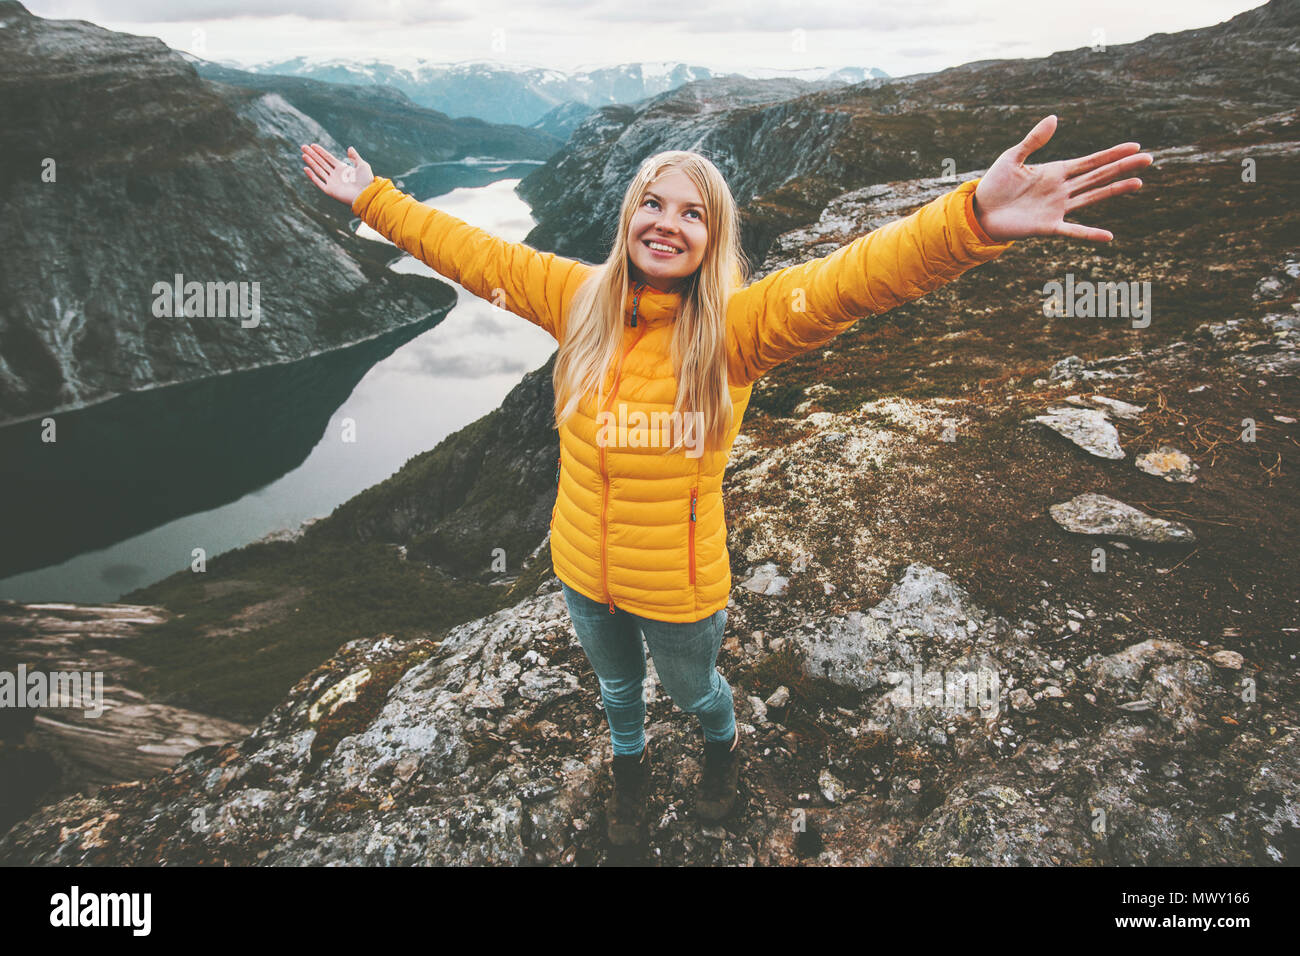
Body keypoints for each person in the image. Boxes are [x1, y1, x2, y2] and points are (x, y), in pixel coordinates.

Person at [302, 116, 1151, 846]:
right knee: (615, 690)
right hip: (580, 571)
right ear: (630, 215)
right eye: (652, 202)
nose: (665, 224)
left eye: (692, 214)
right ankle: (629, 773)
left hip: (676, 586)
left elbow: (849, 281)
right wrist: (372, 198)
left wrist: (968, 219)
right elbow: (472, 254)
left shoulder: (734, 331)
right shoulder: (579, 298)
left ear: (714, 239)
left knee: (695, 689)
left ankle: (720, 744)